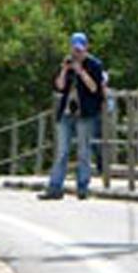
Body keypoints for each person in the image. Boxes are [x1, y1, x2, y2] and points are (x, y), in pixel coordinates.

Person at [39, 31, 106, 200]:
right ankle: (55, 187)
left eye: (80, 50)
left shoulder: (94, 65)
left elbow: (94, 88)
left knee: (83, 152)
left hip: (85, 114)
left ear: (86, 48)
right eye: (75, 49)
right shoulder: (67, 64)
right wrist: (64, 70)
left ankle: (82, 187)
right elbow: (60, 86)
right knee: (62, 151)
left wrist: (81, 71)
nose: (77, 53)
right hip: (67, 113)